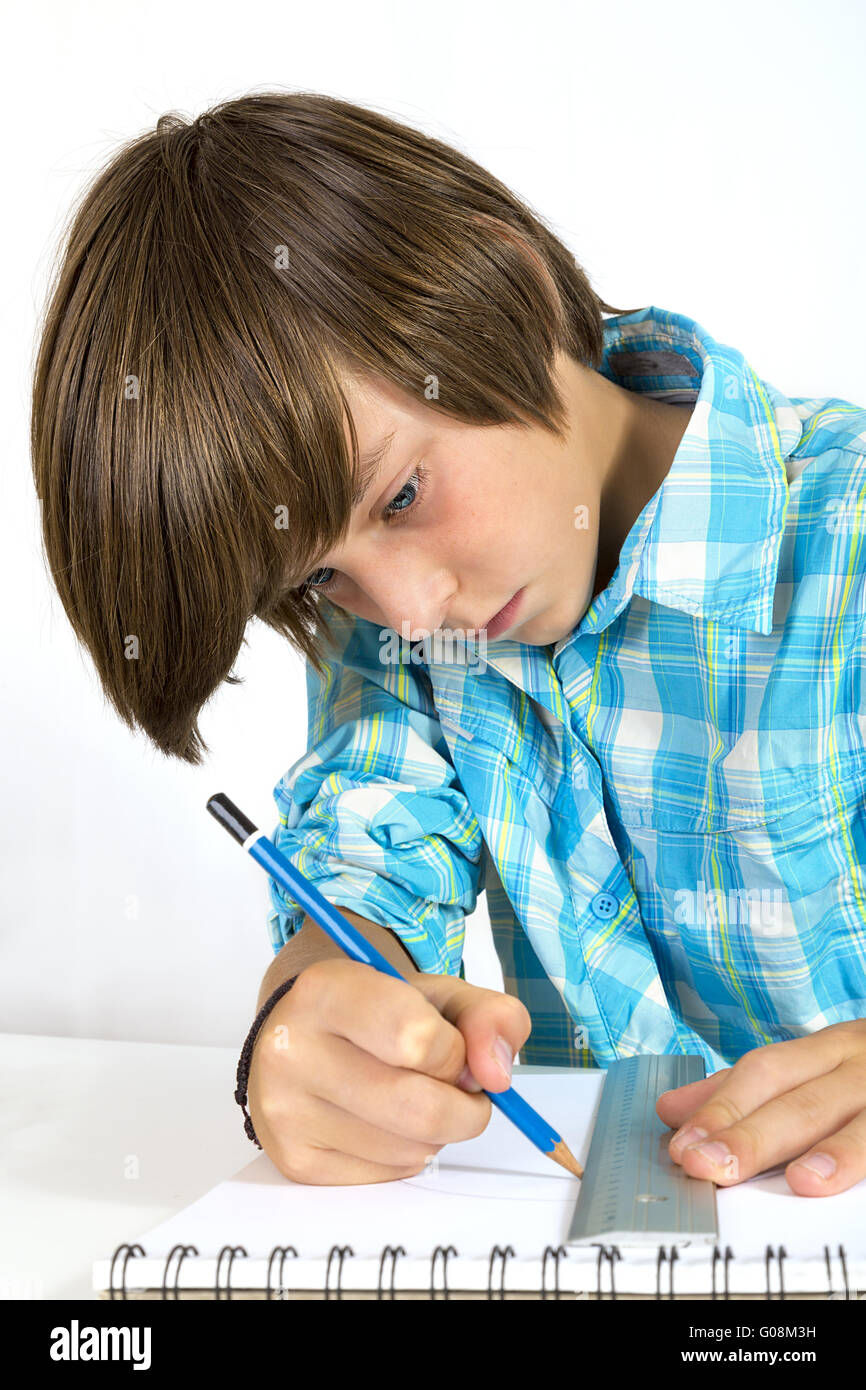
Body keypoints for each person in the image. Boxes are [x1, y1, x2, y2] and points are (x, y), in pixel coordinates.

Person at [31, 91, 866, 1195]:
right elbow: (366, 870)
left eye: (403, 493)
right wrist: (312, 1023)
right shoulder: (392, 637)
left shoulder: (841, 537)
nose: (411, 612)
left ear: (499, 296)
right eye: (322, 574)